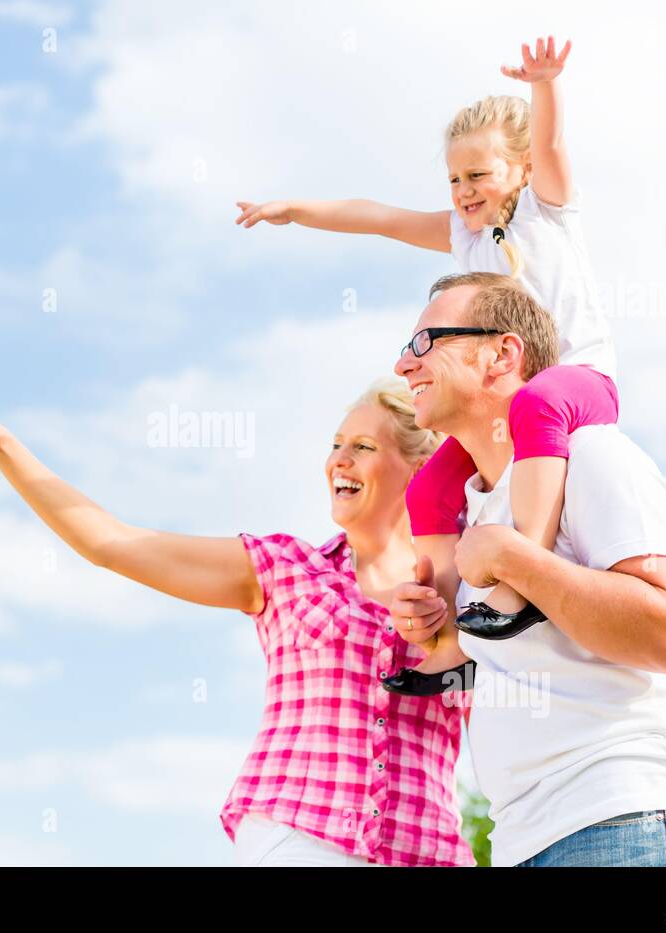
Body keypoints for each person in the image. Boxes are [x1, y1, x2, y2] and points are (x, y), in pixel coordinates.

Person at [0, 362, 475, 866]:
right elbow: (113, 543)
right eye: (336, 443)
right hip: (303, 839)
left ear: (420, 465)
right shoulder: (285, 569)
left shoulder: (468, 592)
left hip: (428, 850)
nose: (338, 461)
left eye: (363, 447)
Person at [237, 37, 619, 687]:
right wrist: (294, 211)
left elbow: (552, 148)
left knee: (535, 400)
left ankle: (518, 582)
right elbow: (379, 217)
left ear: (518, 170)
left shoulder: (545, 210)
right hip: (507, 404)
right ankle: (449, 639)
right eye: (453, 178)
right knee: (431, 487)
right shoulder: (461, 235)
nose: (464, 190)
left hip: (579, 382)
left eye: (478, 174)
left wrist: (545, 86)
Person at [393, 271, 666, 867]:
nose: (403, 366)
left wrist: (515, 559)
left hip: (629, 819)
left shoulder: (596, 455)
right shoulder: (471, 508)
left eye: (424, 344)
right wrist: (431, 621)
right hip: (522, 839)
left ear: (502, 353)